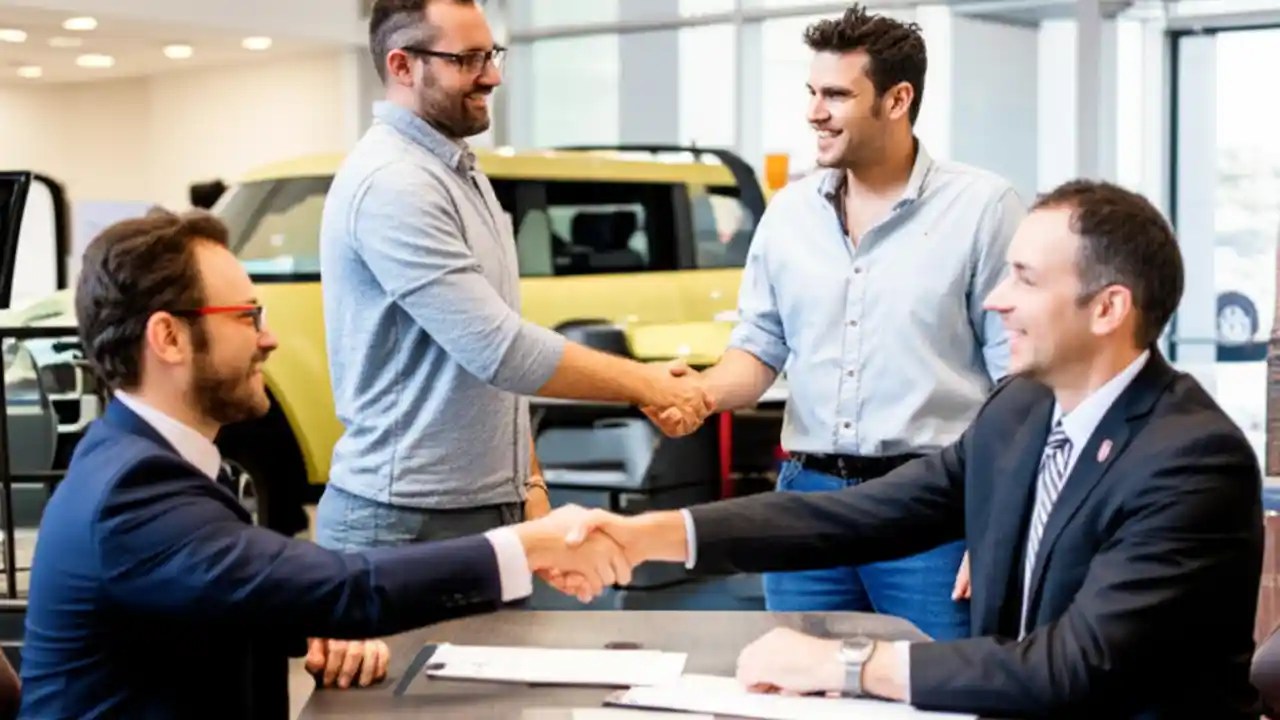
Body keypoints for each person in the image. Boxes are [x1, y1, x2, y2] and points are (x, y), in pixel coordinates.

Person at [574, 179, 1265, 718]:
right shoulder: (1020, 412)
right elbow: (864, 515)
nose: (995, 300)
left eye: (1023, 278)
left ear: (1107, 308)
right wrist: (648, 536)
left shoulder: (1191, 459)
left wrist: (847, 665)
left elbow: (1073, 667)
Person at [18, 210, 630, 720]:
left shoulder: (133, 458)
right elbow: (345, 586)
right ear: (168, 338)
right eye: (246, 317)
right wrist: (527, 546)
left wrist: (307, 628)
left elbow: (211, 600)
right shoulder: (133, 492)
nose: (269, 338)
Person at [645, 4, 1022, 640]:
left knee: (938, 697)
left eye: (837, 95)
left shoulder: (983, 209)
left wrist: (996, 528)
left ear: (898, 99)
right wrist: (703, 393)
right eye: (812, 92)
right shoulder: (789, 215)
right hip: (807, 501)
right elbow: (760, 348)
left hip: (930, 512)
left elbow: (1022, 388)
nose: (814, 112)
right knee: (797, 690)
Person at [315, 0, 712, 555]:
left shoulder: (458, 171)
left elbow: (497, 350)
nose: (493, 75)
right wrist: (647, 384)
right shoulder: (394, 182)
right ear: (403, 66)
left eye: (492, 54)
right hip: (402, 525)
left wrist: (530, 481)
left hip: (481, 511)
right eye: (469, 59)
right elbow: (500, 351)